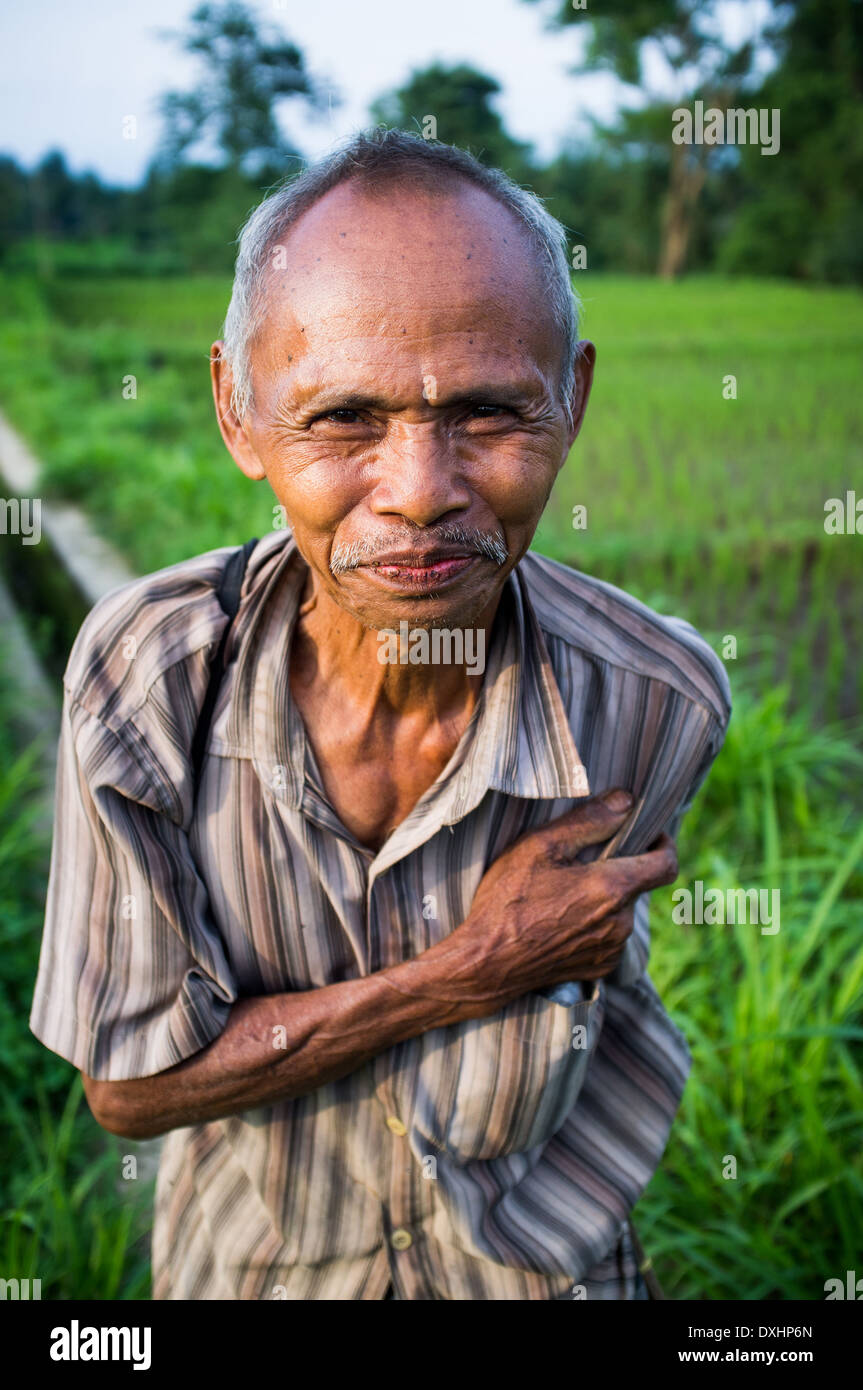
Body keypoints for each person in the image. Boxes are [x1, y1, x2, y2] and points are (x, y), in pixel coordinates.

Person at [30, 129, 730, 1300]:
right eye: (343, 418)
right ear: (236, 412)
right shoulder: (149, 680)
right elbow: (129, 1089)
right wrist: (463, 973)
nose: (419, 492)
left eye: (492, 414)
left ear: (575, 397)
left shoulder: (652, 700)